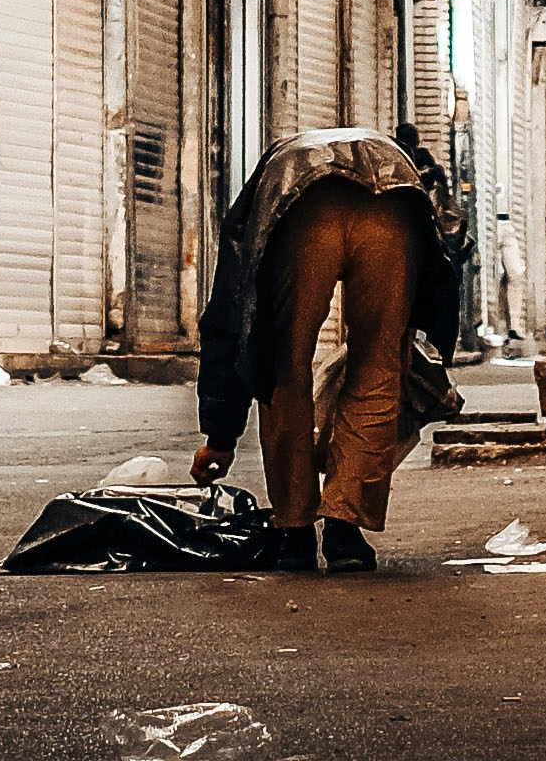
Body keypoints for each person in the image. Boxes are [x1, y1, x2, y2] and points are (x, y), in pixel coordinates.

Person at [187, 126, 463, 569]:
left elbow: (231, 317)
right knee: (378, 365)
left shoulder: (271, 177)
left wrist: (220, 436)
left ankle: (294, 531)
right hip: (394, 204)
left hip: (304, 204)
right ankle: (344, 532)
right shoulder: (400, 164)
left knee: (283, 367)